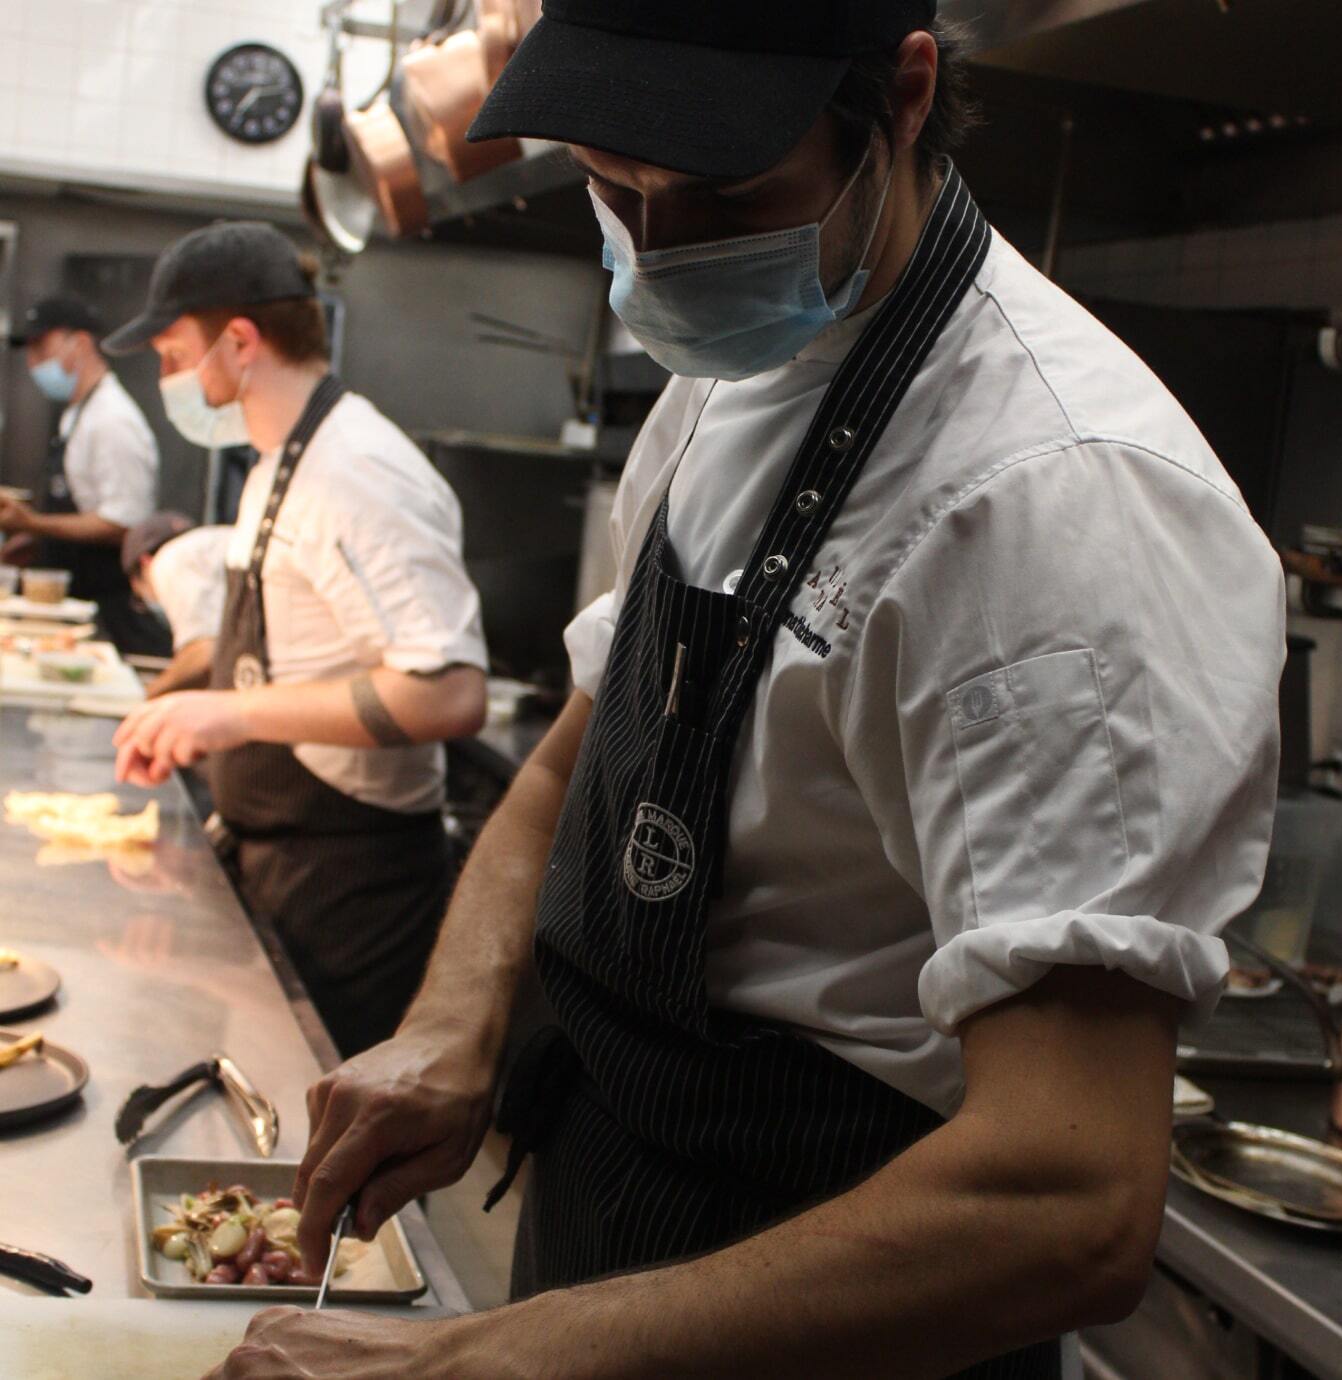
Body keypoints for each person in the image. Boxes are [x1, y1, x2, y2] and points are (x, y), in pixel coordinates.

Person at [208, 3, 1285, 1377]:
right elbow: (573, 765)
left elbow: (1067, 1198)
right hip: (615, 1201)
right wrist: (451, 1024)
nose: (659, 256)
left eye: (722, 194)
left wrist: (463, 1365)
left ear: (901, 97)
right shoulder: (730, 374)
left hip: (843, 1291)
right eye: (612, 186)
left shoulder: (1057, 498)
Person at [106, 221, 488, 1058]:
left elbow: (451, 692)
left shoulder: (356, 469)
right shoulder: (283, 461)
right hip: (285, 860)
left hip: (353, 889)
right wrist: (188, 711)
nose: (170, 380)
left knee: (318, 1141)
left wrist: (230, 719)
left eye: (174, 356)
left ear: (238, 341)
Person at [1, 296, 165, 653]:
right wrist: (38, 543)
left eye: (41, 349)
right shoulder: (76, 415)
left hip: (106, 612)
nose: (33, 363)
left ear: (80, 343)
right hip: (73, 603)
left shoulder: (112, 420)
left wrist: (34, 524)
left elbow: (124, 523)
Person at [121, 512, 231, 697]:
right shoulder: (209, 547)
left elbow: (204, 656)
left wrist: (143, 700)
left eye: (140, 598)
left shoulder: (171, 558)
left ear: (145, 562)